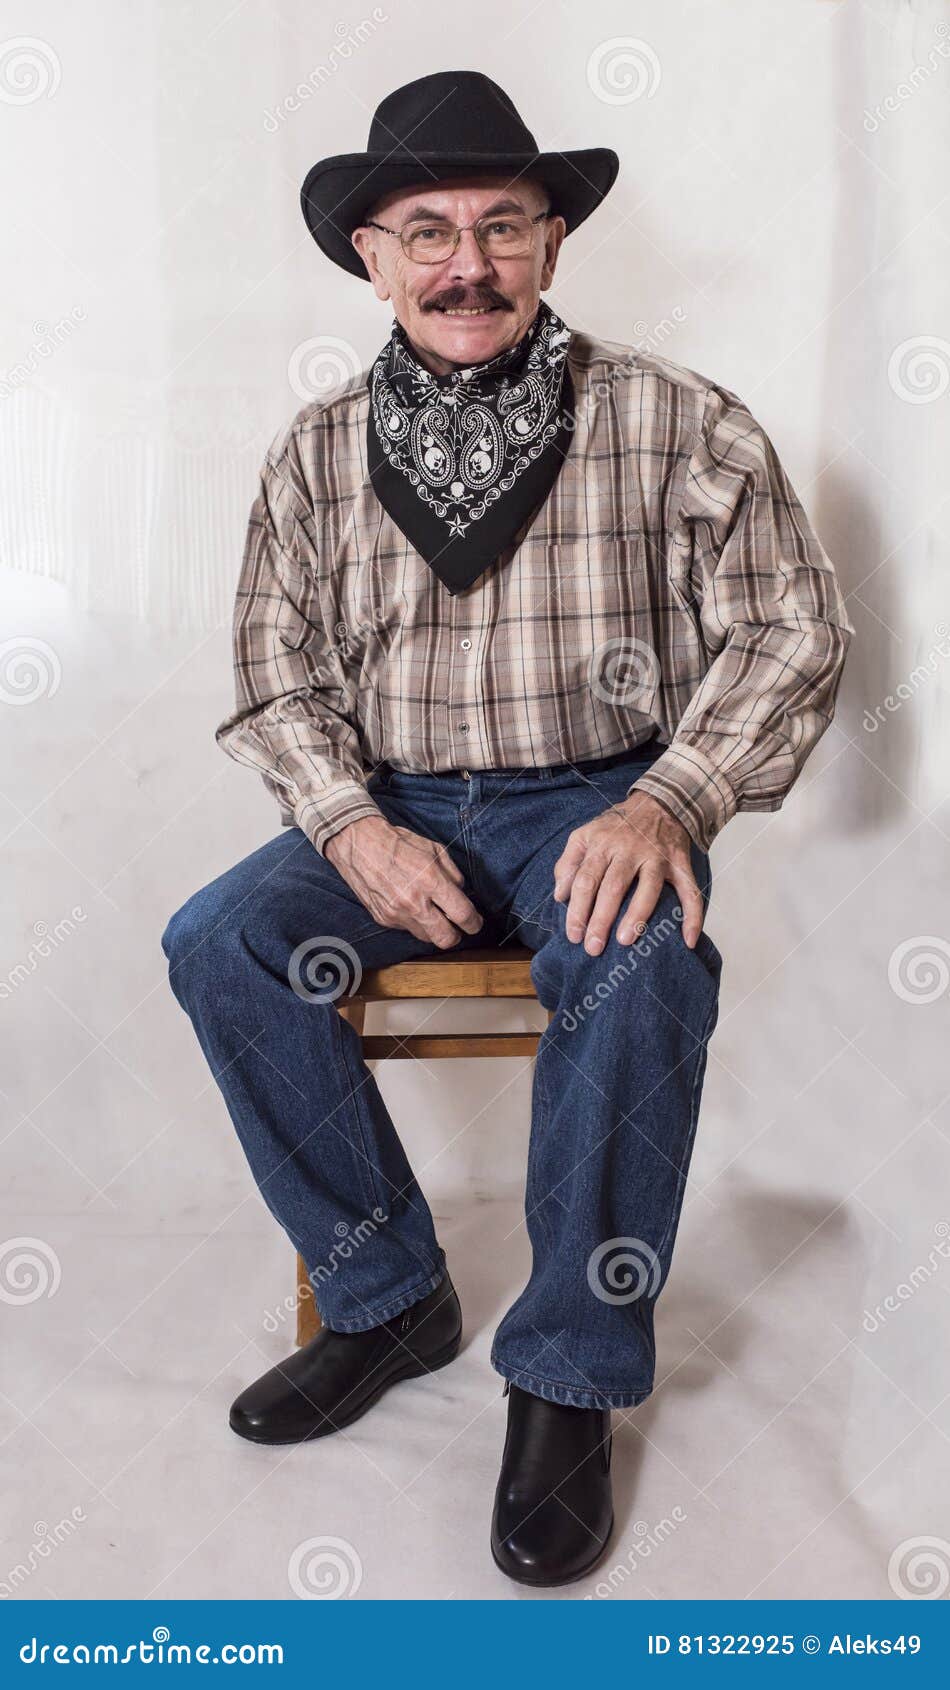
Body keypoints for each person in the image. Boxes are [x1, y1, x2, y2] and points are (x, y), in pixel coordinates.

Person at [161, 70, 852, 1588]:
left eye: (499, 226)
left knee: (643, 960)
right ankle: (385, 1295)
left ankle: (566, 1371)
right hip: (391, 806)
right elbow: (273, 676)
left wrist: (669, 797)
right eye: (425, 231)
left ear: (550, 242)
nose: (463, 263)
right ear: (369, 253)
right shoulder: (314, 453)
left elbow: (792, 633)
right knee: (218, 942)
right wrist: (347, 830)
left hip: (592, 800)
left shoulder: (678, 419)